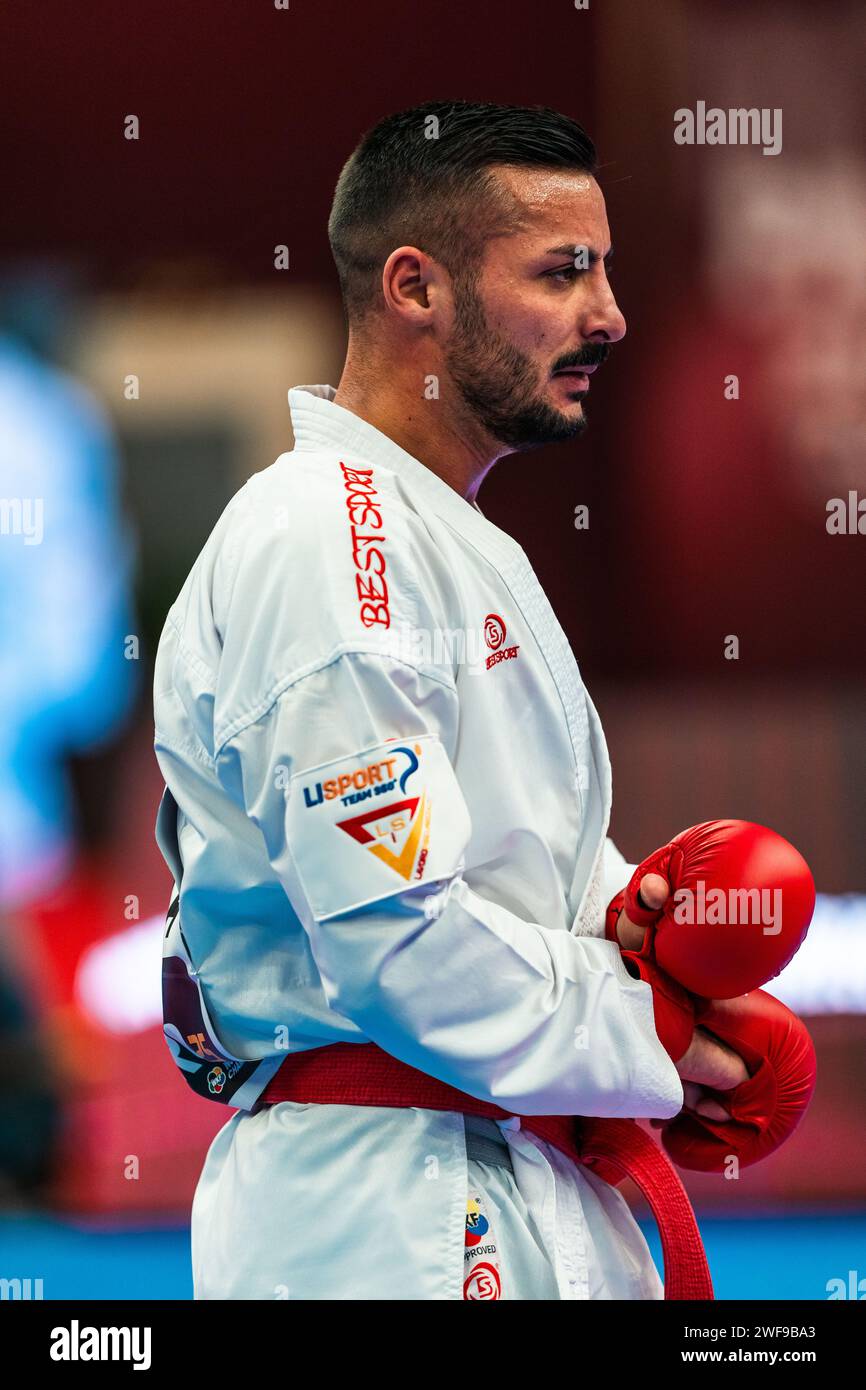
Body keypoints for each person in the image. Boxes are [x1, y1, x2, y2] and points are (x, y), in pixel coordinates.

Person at [154, 100, 746, 1300]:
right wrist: (649, 1035)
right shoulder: (329, 534)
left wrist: (639, 929)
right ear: (414, 288)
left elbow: (478, 879)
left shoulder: (442, 535)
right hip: (389, 1220)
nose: (610, 313)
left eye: (608, 268)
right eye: (562, 271)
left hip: (489, 1173)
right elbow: (396, 931)